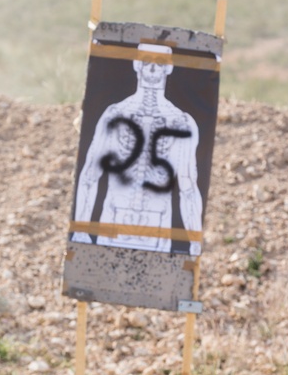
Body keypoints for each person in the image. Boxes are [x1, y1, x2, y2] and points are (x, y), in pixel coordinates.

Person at [71, 43, 202, 255]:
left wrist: (195, 239)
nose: (153, 68)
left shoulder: (181, 122)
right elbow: (89, 175)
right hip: (114, 218)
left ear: (169, 67)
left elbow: (188, 186)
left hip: (157, 223)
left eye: (160, 62)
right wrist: (80, 229)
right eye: (147, 61)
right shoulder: (115, 114)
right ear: (137, 64)